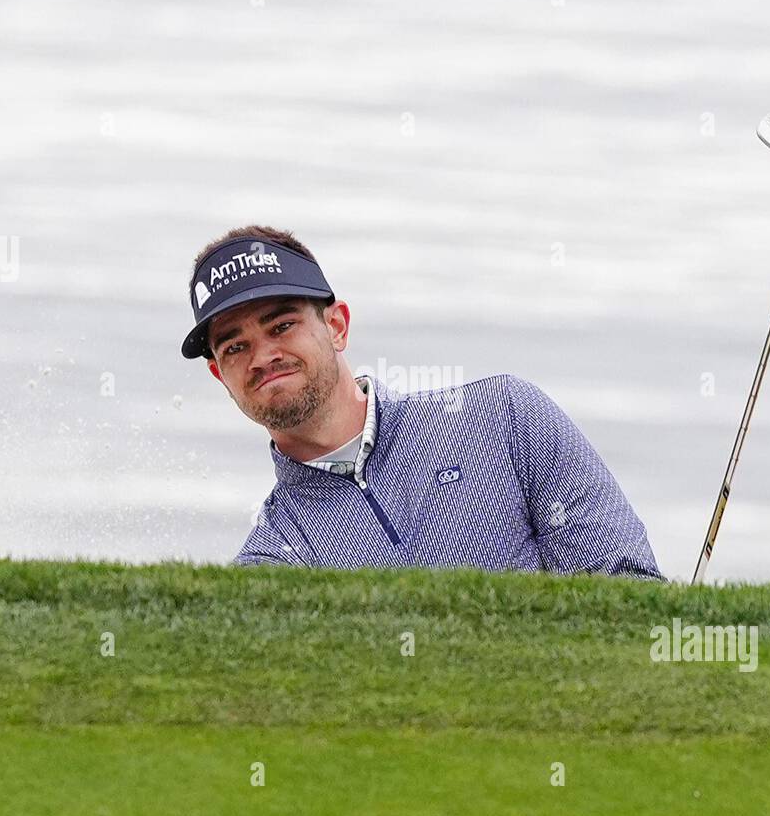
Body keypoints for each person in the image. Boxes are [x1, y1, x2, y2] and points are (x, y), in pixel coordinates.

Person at [181, 224, 664, 579]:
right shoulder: (271, 562)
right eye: (235, 347)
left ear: (336, 325)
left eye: (281, 325)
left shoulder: (506, 417)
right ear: (220, 375)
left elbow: (627, 587)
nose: (263, 356)